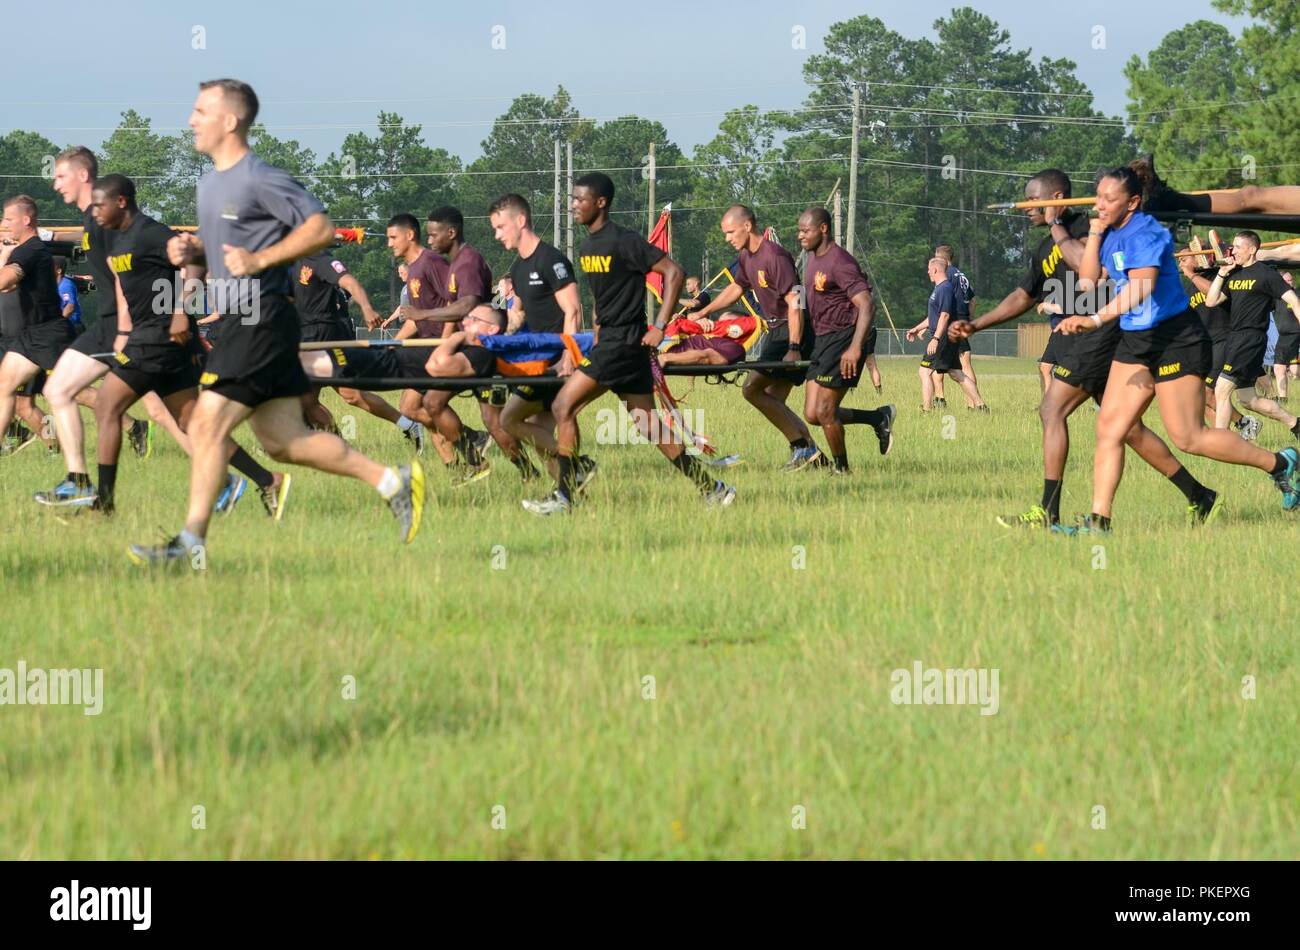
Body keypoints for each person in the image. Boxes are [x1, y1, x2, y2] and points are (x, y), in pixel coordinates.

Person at [127, 78, 423, 565]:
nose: (190, 120)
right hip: (252, 320)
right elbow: (212, 248)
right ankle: (393, 482)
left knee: (204, 423)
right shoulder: (209, 183)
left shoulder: (259, 177)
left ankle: (189, 544)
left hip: (262, 317)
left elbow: (321, 229)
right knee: (284, 442)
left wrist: (261, 260)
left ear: (230, 121)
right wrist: (189, 263)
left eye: (201, 111)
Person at [952, 169, 1223, 529]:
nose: (1027, 208)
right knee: (1127, 430)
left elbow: (1086, 268)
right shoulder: (1045, 246)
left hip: (1104, 331)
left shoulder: (1087, 225)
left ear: (1057, 198)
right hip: (1082, 335)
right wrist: (978, 323)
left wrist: (1059, 227)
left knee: (1052, 409)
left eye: (1034, 200)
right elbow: (1022, 296)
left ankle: (1050, 513)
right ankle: (1198, 494)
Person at [1054, 166, 1300, 532]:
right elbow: (1089, 280)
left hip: (1175, 340)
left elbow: (1141, 288)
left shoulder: (1148, 233)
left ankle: (1280, 463)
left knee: (1189, 437)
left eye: (1109, 198)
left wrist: (1093, 321)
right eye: (1098, 196)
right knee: (1110, 428)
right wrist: (1093, 232)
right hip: (1137, 341)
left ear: (1134, 202)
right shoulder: (1109, 233)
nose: (1100, 204)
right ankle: (1098, 522)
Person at [67, 174, 285, 514]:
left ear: (121, 202)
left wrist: (184, 309)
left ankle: (104, 504)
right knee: (194, 425)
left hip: (159, 338)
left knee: (108, 407)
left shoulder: (151, 233)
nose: (94, 211)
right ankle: (268, 480)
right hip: (158, 341)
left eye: (100, 204)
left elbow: (199, 257)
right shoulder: (119, 239)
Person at [522, 172, 736, 515]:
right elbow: (604, 298)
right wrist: (594, 334)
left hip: (622, 343)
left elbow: (674, 273)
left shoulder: (624, 241)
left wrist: (662, 327)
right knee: (648, 424)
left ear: (601, 203)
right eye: (573, 199)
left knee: (563, 407)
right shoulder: (588, 245)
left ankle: (566, 494)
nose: (574, 205)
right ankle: (713, 488)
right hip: (612, 341)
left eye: (580, 199)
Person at [685, 205, 825, 470]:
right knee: (773, 398)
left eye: (730, 232)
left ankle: (802, 448)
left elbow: (796, 302)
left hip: (792, 332)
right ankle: (812, 454)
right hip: (776, 331)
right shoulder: (747, 257)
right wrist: (703, 310)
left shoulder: (775, 256)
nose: (727, 238)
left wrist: (794, 347)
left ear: (747, 227)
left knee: (751, 389)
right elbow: (737, 287)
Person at [489, 192, 595, 484]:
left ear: (520, 221)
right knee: (539, 432)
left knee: (509, 419)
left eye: (500, 227)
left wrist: (568, 356)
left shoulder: (551, 259)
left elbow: (573, 311)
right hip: (538, 360)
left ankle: (577, 466)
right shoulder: (518, 268)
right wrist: (496, 338)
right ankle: (570, 496)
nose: (497, 235)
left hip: (556, 359)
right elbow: (517, 314)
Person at [794, 206, 894, 469]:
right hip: (823, 340)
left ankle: (841, 470)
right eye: (799, 231)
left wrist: (855, 348)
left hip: (844, 339)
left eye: (806, 231)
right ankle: (877, 418)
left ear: (823, 229)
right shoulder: (813, 258)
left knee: (825, 411)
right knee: (812, 414)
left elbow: (867, 305)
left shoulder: (840, 262)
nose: (800, 236)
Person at [1204, 231, 1300, 438]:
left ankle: (1221, 443)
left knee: (1221, 389)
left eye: (1239, 247)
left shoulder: (1266, 274)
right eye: (1233, 246)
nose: (1234, 251)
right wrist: (1222, 273)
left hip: (1251, 338)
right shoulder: (1233, 274)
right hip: (1235, 338)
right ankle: (1295, 424)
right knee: (1249, 400)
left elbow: (1294, 300)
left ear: (1252, 250)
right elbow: (1210, 301)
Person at [0, 196, 76, 453]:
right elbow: (9, 285)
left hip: (48, 334)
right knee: (8, 390)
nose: (4, 223)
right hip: (29, 335)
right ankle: (53, 446)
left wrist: (5, 255)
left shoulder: (30, 250)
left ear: (26, 219)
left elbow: (4, 281)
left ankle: (133, 425)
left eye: (8, 218)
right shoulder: (25, 250)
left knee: (78, 394)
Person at [1178, 252, 1258, 439]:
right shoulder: (1189, 288)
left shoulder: (1217, 275)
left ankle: (1234, 430)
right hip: (1207, 345)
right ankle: (1233, 432)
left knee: (1207, 392)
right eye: (1179, 260)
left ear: (1199, 257)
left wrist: (1191, 274)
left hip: (1225, 339)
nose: (1180, 263)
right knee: (1201, 398)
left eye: (1184, 258)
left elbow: (1213, 294)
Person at [909, 258, 986, 412]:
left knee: (924, 371)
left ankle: (926, 409)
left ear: (936, 270)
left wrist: (935, 339)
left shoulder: (944, 288)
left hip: (943, 337)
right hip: (945, 336)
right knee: (956, 373)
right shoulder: (939, 288)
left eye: (929, 269)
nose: (928, 272)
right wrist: (917, 328)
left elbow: (944, 316)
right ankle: (981, 406)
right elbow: (934, 317)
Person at [934, 244, 978, 406]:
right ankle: (973, 402)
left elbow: (942, 301)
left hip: (951, 323)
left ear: (942, 259)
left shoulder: (946, 275)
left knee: (938, 359)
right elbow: (973, 300)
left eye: (936, 258)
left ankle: (941, 398)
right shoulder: (962, 275)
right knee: (965, 361)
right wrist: (968, 318)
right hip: (962, 320)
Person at [53, 256, 84, 335]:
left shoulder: (66, 285)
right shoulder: (54, 286)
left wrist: (58, 324)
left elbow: (70, 306)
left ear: (59, 271)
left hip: (72, 327)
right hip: (63, 327)